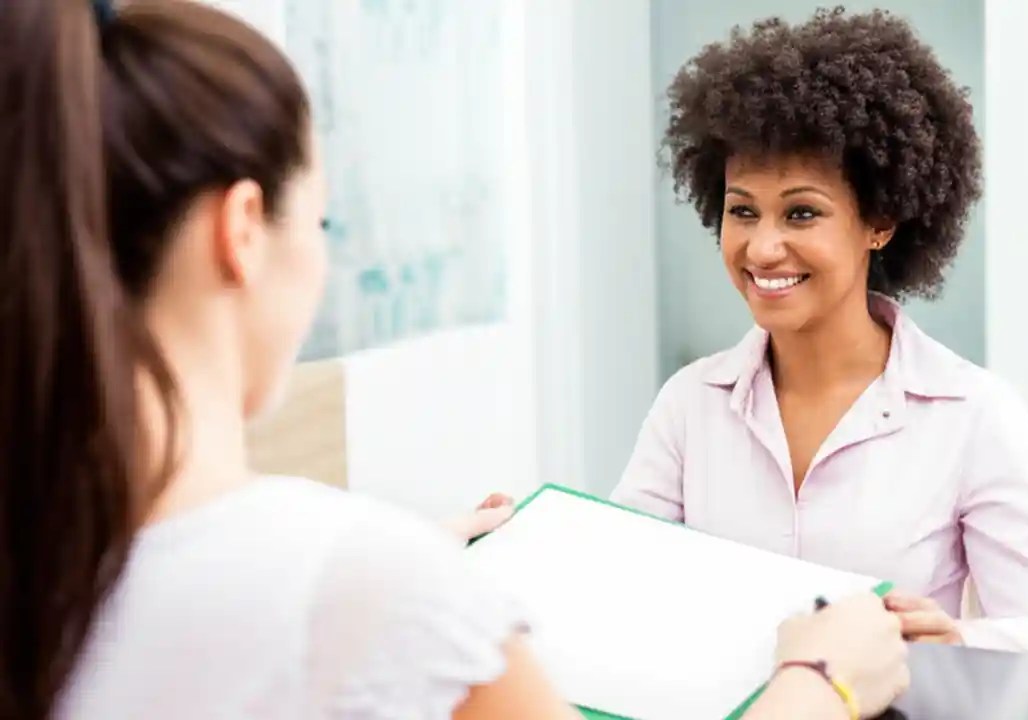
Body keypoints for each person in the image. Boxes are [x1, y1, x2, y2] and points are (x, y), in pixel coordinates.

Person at [0, 1, 908, 718]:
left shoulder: (39, 560)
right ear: (241, 231)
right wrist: (819, 682)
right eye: (320, 221)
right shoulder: (372, 581)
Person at [611, 7, 1028, 657]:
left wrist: (958, 639)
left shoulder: (972, 414)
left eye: (801, 213)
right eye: (742, 211)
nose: (763, 248)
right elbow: (612, 589)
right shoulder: (689, 405)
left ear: (880, 222)